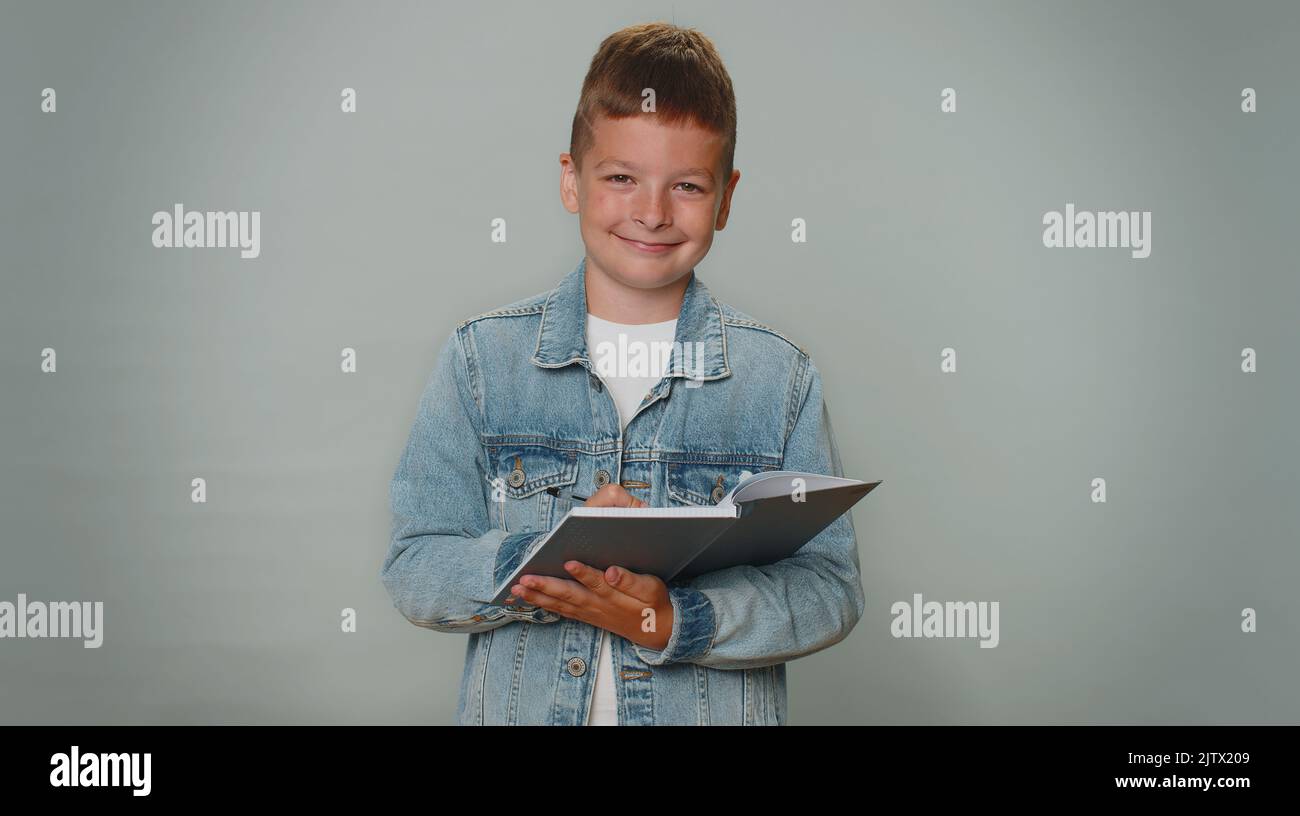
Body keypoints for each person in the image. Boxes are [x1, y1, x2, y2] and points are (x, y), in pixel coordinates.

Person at [382, 21, 864, 725]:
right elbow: (415, 566)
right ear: (571, 180)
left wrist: (678, 619)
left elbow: (828, 588)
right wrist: (541, 558)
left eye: (688, 187)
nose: (651, 212)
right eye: (620, 178)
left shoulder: (778, 380)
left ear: (727, 198)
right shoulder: (480, 363)